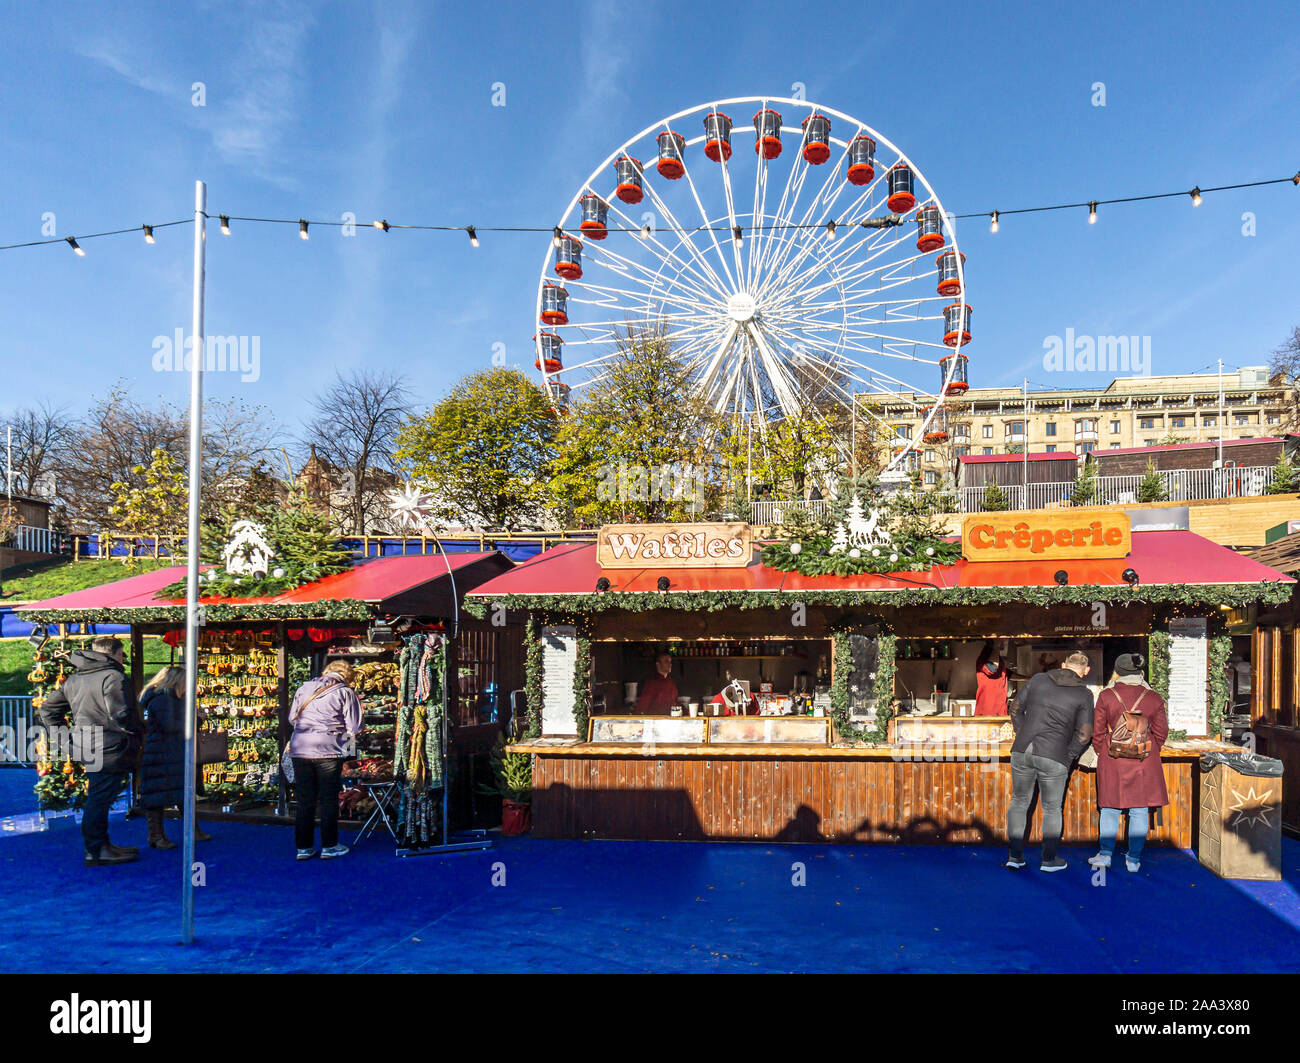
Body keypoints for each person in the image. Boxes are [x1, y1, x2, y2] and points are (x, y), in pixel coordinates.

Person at [37, 636, 145, 866]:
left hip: (88, 745)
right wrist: (137, 732)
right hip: (110, 747)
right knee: (99, 799)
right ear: (114, 654)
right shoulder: (113, 677)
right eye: (121, 654)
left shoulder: (75, 679)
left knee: (99, 797)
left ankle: (101, 845)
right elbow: (122, 714)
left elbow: (47, 710)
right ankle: (96, 849)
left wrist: (64, 741)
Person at [1005, 649, 1095, 872]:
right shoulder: (1084, 694)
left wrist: (1021, 731)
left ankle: (1015, 857)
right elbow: (1084, 734)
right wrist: (1068, 755)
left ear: (1064, 665)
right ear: (1085, 671)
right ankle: (1048, 860)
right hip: (1054, 755)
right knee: (1052, 808)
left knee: (1018, 802)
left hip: (1022, 749)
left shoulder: (1038, 679)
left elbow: (1015, 707)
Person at [1088, 653, 1168, 873]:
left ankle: (1105, 855)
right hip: (1144, 759)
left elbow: (1098, 732)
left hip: (1112, 759)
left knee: (1110, 808)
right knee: (1140, 810)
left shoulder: (1106, 695)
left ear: (1118, 671)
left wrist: (1103, 751)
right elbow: (1161, 732)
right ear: (1140, 672)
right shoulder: (1153, 697)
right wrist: (1148, 749)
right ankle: (1133, 859)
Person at [288, 660, 363, 861]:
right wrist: (350, 754)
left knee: (305, 799)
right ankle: (329, 845)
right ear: (347, 676)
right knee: (329, 798)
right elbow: (354, 727)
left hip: (301, 749)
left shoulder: (304, 688)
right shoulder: (345, 692)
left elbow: (292, 718)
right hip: (328, 749)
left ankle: (303, 847)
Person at [138, 666, 212, 849]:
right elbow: (170, 725)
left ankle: (187, 830)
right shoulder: (163, 699)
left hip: (169, 751)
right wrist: (197, 720)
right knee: (159, 794)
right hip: (164, 752)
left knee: (180, 791)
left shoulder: (168, 698)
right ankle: (157, 835)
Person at [975, 642, 1014, 716]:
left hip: (999, 711)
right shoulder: (985, 657)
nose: (1006, 642)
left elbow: (1006, 673)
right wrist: (997, 644)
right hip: (988, 713)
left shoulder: (997, 659)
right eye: (1004, 639)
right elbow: (992, 669)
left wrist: (1028, 678)